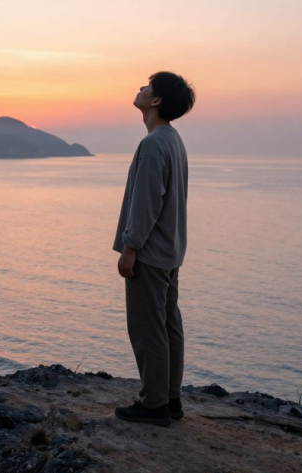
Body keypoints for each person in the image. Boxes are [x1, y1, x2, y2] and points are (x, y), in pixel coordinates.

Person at [113, 71, 195, 426]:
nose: (140, 89)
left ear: (156, 100)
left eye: (146, 87)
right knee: (168, 326)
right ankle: (171, 400)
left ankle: (153, 405)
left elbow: (146, 203)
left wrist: (130, 248)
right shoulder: (173, 140)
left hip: (149, 253)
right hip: (170, 251)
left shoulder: (152, 145)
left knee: (148, 329)